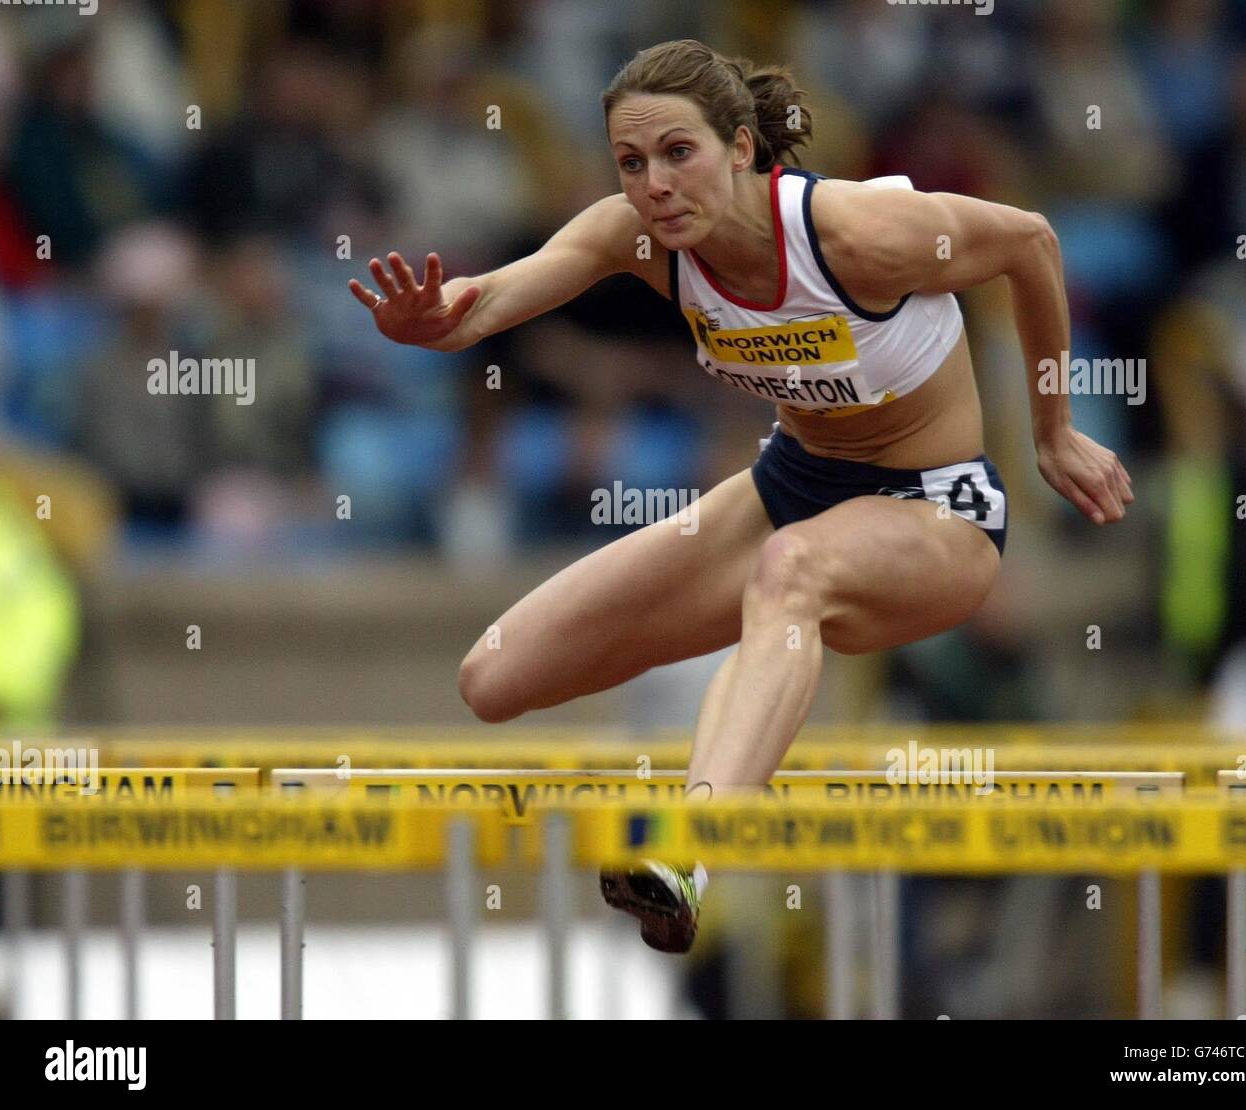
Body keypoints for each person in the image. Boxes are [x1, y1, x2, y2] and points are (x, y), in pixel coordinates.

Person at [349, 40, 1134, 954]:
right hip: (790, 488)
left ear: (741, 149)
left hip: (936, 509)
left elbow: (1031, 241)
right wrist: (432, 324)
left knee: (790, 570)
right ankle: (741, 709)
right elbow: (485, 304)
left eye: (677, 153)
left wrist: (1052, 429)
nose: (655, 186)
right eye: (631, 164)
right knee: (492, 677)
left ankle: (689, 851)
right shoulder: (632, 235)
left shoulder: (859, 236)